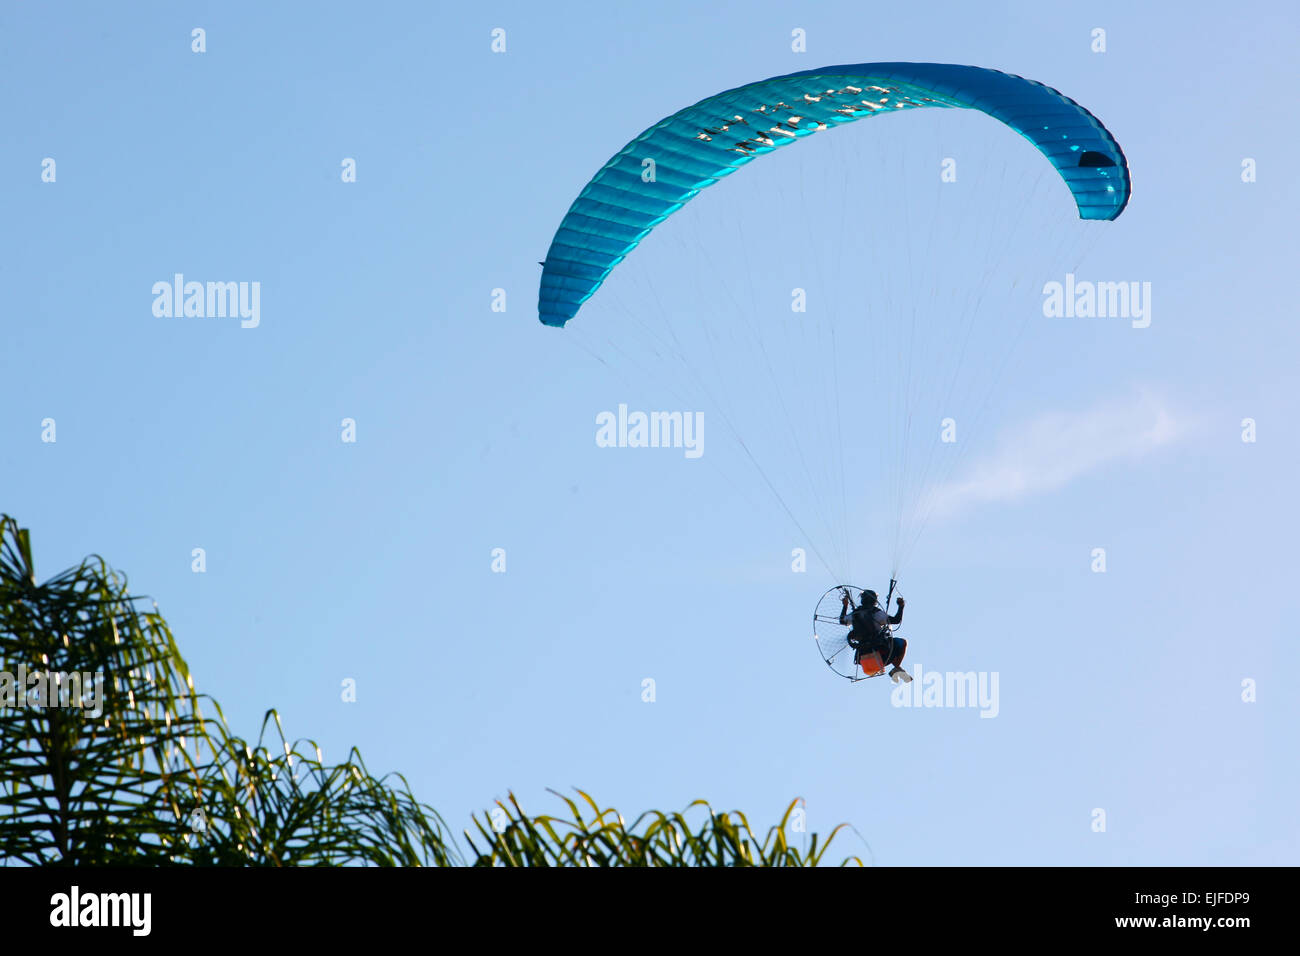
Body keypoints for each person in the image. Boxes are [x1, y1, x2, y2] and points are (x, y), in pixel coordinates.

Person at [840, 588, 911, 683]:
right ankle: (897, 668)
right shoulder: (877, 613)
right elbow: (896, 620)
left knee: (893, 644)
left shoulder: (854, 615)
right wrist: (901, 606)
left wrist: (845, 606)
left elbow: (842, 621)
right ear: (874, 601)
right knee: (902, 642)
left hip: (863, 657)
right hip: (882, 654)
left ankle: (897, 669)